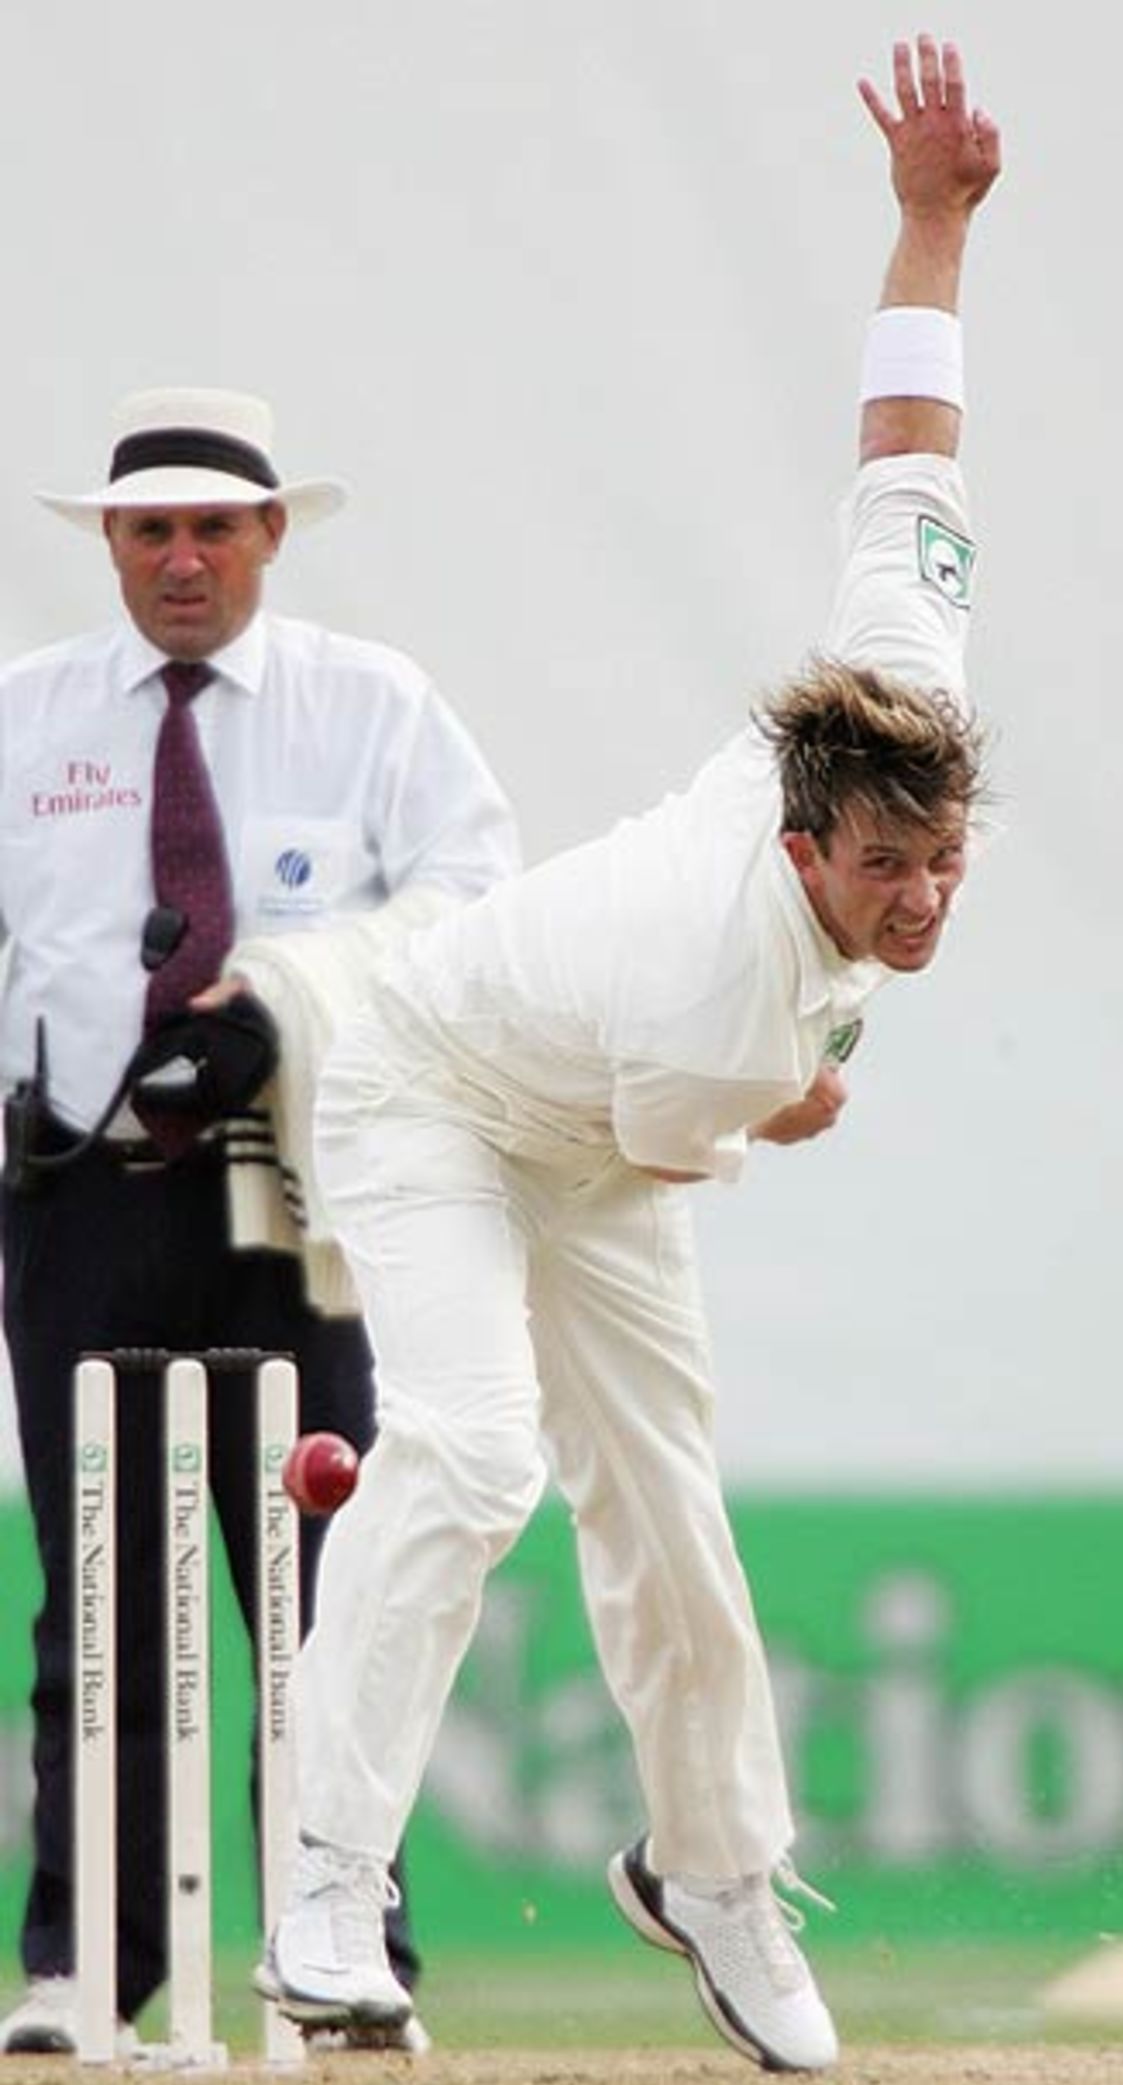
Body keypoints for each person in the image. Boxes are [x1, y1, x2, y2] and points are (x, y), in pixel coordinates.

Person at [258, 35, 1001, 2074]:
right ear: (799, 845)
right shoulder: (719, 994)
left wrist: (927, 223)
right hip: (436, 1091)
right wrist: (806, 1091)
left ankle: (712, 1871)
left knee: (672, 1515)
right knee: (485, 1451)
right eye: (885, 873)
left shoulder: (900, 689)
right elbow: (691, 1136)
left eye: (944, 859)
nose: (924, 895)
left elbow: (909, 454)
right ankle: (326, 1881)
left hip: (600, 1117)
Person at [0, 386, 520, 2055]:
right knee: (99, 1599)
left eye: (213, 526)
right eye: (147, 528)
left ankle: (345, 1958)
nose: (180, 559)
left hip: (305, 1191)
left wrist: (294, 999)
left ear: (273, 533)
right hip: (83, 1186)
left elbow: (471, 900)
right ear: (108, 540)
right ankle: (91, 1974)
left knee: (326, 1579)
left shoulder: (370, 708)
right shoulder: (28, 718)